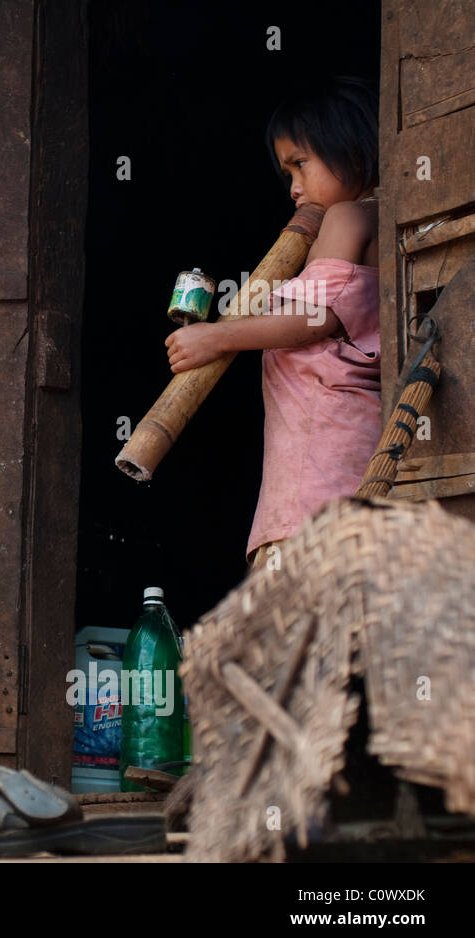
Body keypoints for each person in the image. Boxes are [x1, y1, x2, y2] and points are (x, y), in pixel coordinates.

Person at [163, 77, 381, 576]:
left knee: (290, 630)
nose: (294, 188)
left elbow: (314, 317)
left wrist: (214, 336)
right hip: (347, 463)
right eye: (287, 173)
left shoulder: (347, 217)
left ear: (351, 146)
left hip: (319, 471)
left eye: (300, 164)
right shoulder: (383, 222)